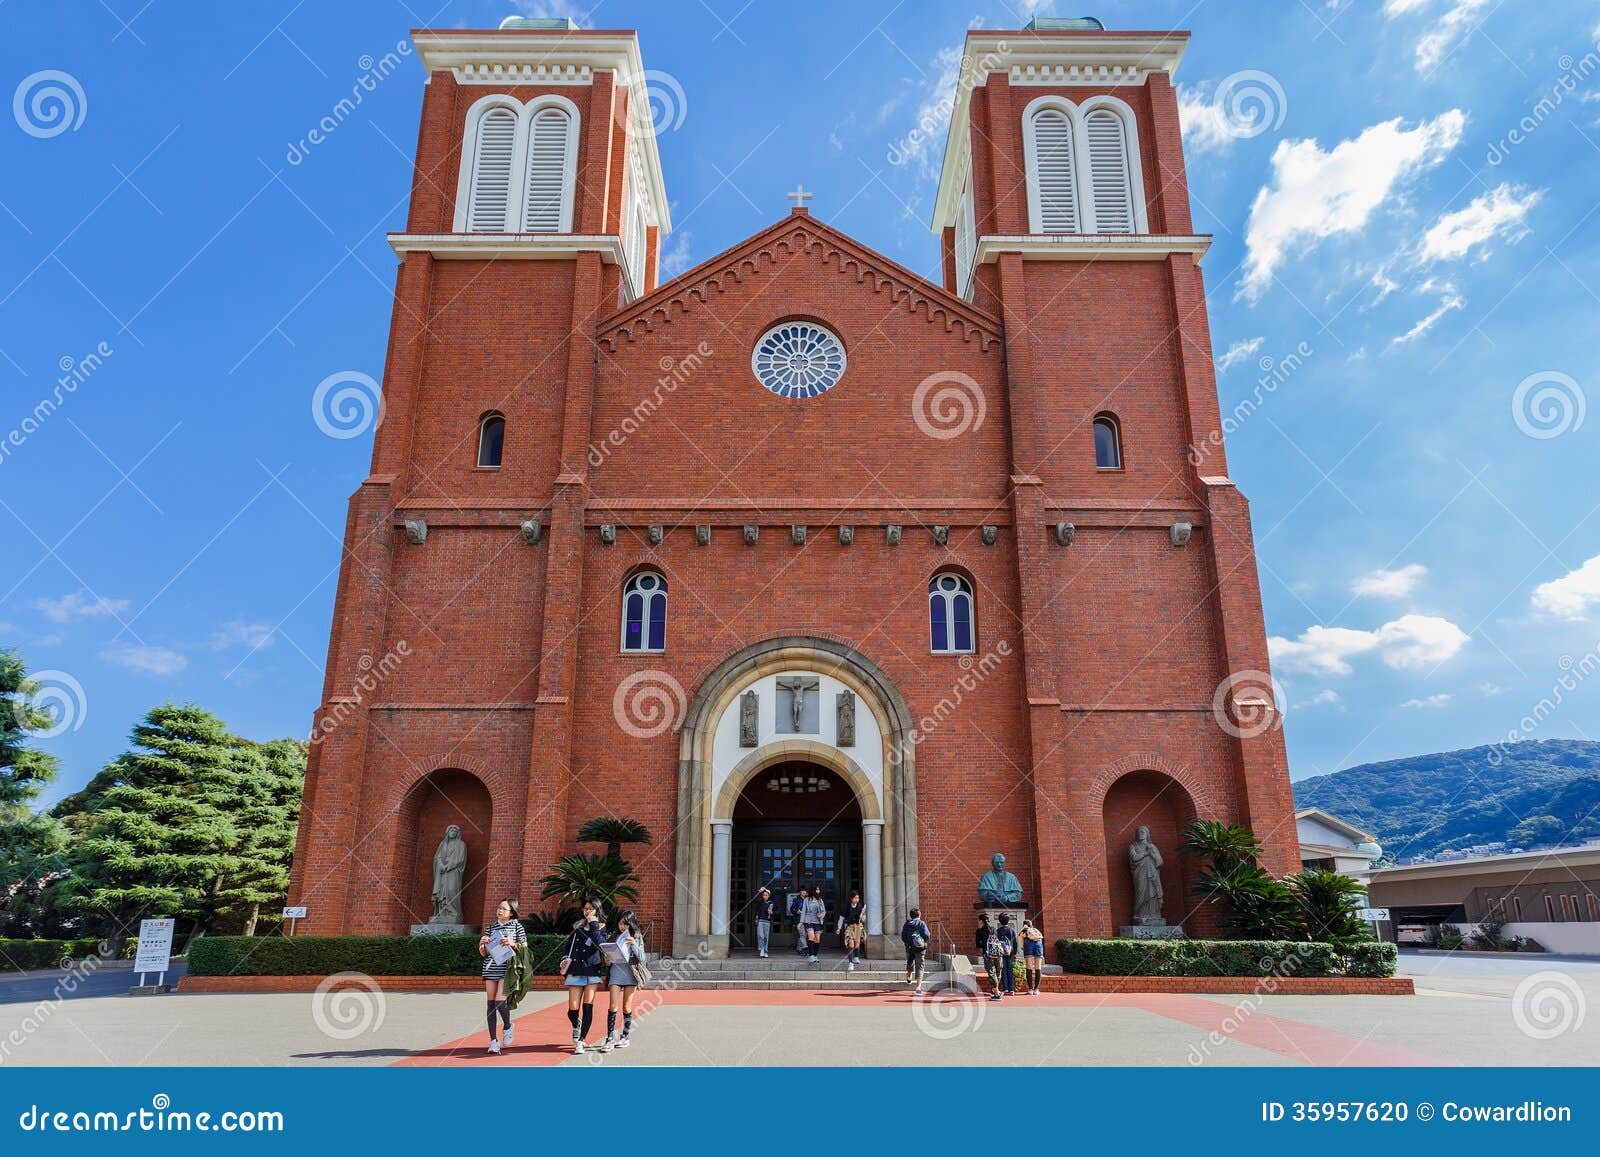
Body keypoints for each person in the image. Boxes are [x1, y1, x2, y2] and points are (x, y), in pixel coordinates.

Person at [478, 898, 526, 1055]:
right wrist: (482, 944)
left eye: (503, 909)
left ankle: (507, 1025)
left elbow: (525, 949)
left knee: (500, 1002)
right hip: (491, 967)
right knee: (490, 1004)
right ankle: (493, 1042)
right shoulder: (491, 927)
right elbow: (484, 953)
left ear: (511, 912)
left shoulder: (517, 927)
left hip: (508, 969)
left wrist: (512, 943)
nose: (499, 911)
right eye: (498, 908)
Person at [560, 900, 607, 1054]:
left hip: (592, 969)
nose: (587, 911)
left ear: (597, 910)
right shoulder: (577, 927)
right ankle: (576, 1024)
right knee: (572, 1009)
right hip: (575, 969)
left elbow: (600, 944)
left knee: (588, 1006)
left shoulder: (601, 928)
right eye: (585, 909)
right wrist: (564, 959)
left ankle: (581, 1041)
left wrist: (594, 924)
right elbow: (568, 947)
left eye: (591, 909)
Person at [599, 910, 645, 1052]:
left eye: (625, 924)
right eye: (620, 924)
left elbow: (643, 958)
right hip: (615, 974)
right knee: (613, 1006)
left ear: (631, 924)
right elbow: (608, 959)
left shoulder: (636, 937)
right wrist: (606, 959)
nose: (622, 927)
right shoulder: (614, 935)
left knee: (626, 1007)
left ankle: (625, 1036)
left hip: (630, 975)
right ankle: (609, 1038)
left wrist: (634, 945)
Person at [901, 907, 931, 995]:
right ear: (919, 915)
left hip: (910, 947)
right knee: (920, 966)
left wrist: (908, 943)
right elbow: (927, 935)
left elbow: (903, 936)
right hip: (920, 948)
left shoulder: (907, 924)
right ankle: (918, 987)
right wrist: (922, 941)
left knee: (910, 961)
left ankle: (909, 976)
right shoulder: (921, 923)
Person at [800, 885, 827, 964]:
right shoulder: (806, 900)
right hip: (809, 921)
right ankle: (810, 955)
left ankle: (815, 955)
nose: (818, 891)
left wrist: (821, 915)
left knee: (817, 939)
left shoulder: (820, 900)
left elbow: (824, 912)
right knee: (811, 936)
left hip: (818, 922)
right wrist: (801, 922)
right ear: (813, 891)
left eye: (819, 890)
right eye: (817, 890)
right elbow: (804, 911)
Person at [840, 889, 866, 971]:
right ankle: (850, 963)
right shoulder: (847, 906)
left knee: (857, 944)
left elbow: (863, 919)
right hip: (849, 927)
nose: (856, 900)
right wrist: (838, 927)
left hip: (858, 927)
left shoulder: (860, 906)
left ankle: (856, 957)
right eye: (855, 898)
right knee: (850, 943)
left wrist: (863, 914)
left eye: (858, 898)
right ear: (851, 898)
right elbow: (842, 917)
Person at [994, 912, 1019, 998]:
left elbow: (996, 942)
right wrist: (1014, 952)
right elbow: (1015, 942)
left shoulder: (998, 931)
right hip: (1010, 953)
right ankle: (1012, 988)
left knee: (1003, 970)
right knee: (1010, 969)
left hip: (1001, 953)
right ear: (1008, 921)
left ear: (1000, 921)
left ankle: (1005, 988)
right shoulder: (1011, 931)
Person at [1020, 918, 1045, 995]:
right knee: (1038, 967)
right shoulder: (1036, 931)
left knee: (1029, 967)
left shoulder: (1023, 932)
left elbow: (1021, 946)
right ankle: (1036, 989)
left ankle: (1030, 989)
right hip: (1038, 944)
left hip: (1028, 944)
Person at [754, 886, 775, 959]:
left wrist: (771, 912)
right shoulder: (760, 902)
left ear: (769, 896)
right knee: (761, 936)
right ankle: (761, 949)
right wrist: (760, 891)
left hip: (767, 922)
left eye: (766, 895)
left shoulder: (771, 903)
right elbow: (755, 899)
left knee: (766, 937)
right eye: (763, 895)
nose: (765, 896)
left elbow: (773, 914)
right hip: (760, 921)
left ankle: (765, 951)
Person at [790, 887, 809, 957]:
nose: (804, 892)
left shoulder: (808, 899)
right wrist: (796, 911)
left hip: (807, 919)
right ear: (800, 892)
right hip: (799, 919)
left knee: (804, 935)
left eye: (805, 891)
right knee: (802, 934)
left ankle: (799, 948)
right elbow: (792, 909)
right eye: (802, 891)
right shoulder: (796, 899)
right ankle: (805, 948)